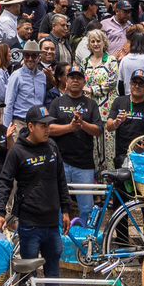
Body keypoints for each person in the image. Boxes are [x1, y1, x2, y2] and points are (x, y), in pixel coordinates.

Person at [0, 105, 76, 286]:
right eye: (42, 125)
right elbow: (4, 182)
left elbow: (61, 179)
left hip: (52, 224)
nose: (47, 129)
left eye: (49, 124)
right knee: (28, 280)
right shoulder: (17, 151)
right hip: (28, 225)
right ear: (30, 127)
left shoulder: (52, 147)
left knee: (53, 275)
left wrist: (66, 209)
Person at [47, 67, 101, 222]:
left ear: (84, 81)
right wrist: (70, 127)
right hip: (60, 162)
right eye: (72, 77)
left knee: (86, 208)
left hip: (84, 163)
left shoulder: (91, 104)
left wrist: (82, 123)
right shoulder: (57, 102)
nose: (75, 80)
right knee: (57, 205)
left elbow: (98, 130)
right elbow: (49, 129)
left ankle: (85, 242)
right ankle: (58, 240)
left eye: (79, 77)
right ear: (66, 81)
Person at [105, 71, 144, 167]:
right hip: (122, 157)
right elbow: (108, 127)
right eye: (134, 83)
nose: (137, 86)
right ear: (130, 84)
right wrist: (116, 122)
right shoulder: (119, 101)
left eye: (141, 83)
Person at [2, 41, 49, 127]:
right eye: (27, 55)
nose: (30, 59)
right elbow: (8, 103)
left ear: (39, 58)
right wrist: (6, 128)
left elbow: (41, 102)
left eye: (34, 55)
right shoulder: (16, 75)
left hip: (37, 123)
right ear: (23, 57)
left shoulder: (42, 76)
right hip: (20, 122)